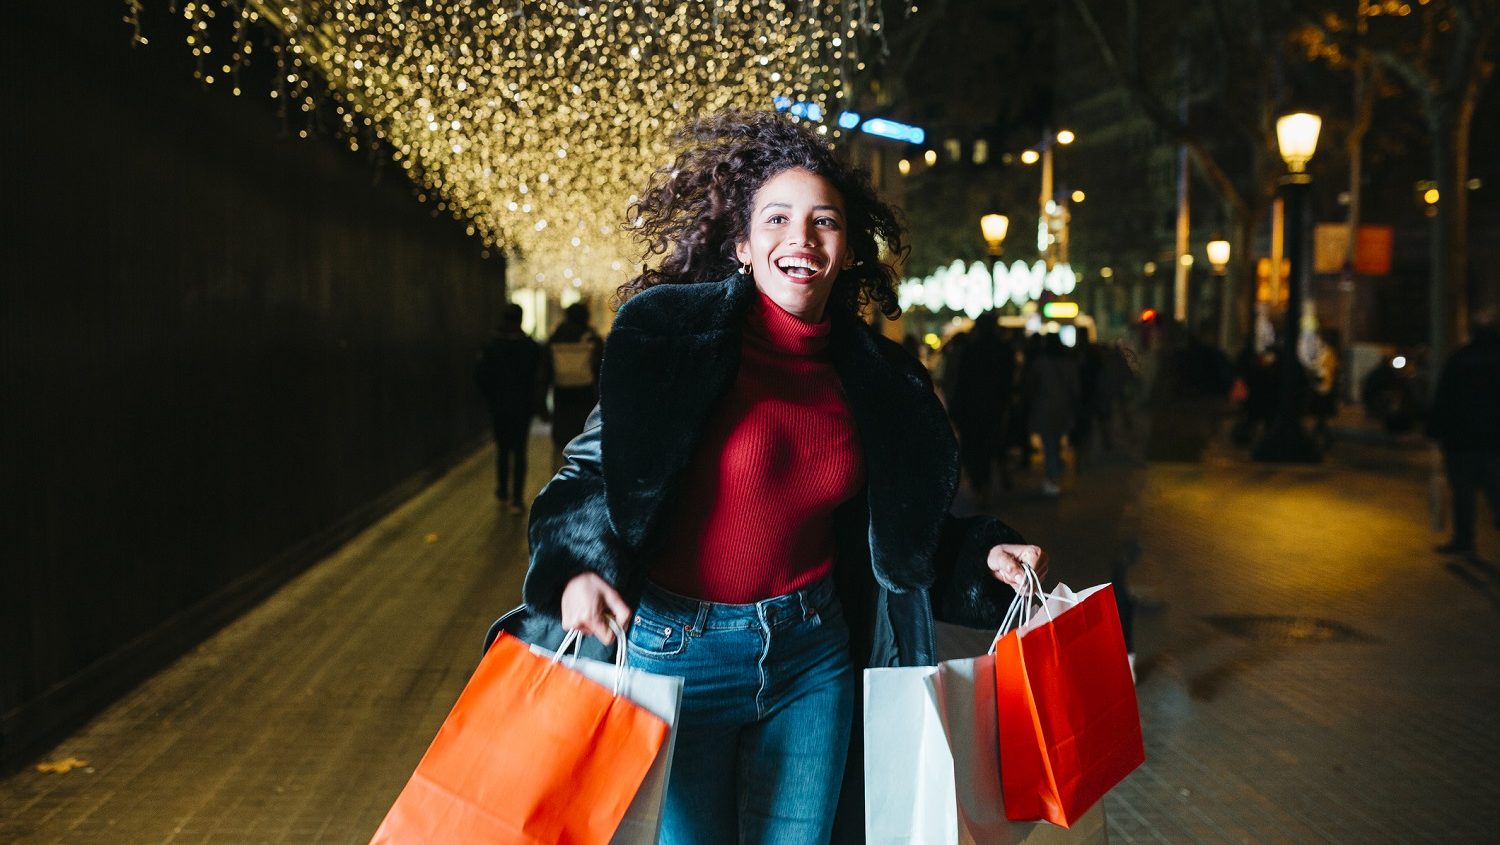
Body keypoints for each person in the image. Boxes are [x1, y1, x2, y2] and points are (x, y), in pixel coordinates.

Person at [509, 111, 1049, 844]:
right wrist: (576, 570)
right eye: (778, 219)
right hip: (676, 655)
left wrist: (981, 555)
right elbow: (585, 480)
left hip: (812, 657)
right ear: (742, 244)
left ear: (848, 247)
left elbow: (898, 527)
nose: (801, 237)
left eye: (823, 221)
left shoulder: (884, 381)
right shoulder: (670, 343)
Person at [1427, 307, 1500, 557]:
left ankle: (1464, 540)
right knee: (1495, 492)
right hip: (1493, 441)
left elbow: (1444, 398)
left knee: (1463, 494)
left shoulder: (1460, 358)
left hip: (1462, 440)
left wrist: (1435, 431)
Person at [474, 304, 542, 513]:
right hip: (523, 407)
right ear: (521, 320)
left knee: (503, 450)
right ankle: (517, 498)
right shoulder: (531, 347)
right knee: (520, 451)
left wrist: (492, 399)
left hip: (500, 406)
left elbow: (481, 377)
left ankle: (503, 491)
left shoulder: (491, 346)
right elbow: (537, 378)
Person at [542, 301, 602, 460]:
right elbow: (601, 371)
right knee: (585, 438)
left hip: (562, 396)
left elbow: (545, 372)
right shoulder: (592, 338)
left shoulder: (556, 338)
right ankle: (582, 477)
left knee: (561, 440)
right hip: (587, 397)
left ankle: (560, 475)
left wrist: (541, 404)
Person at [1025, 333, 1079, 496]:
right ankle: (1055, 470)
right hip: (1063, 408)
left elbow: (1031, 386)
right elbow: (1075, 389)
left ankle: (1053, 475)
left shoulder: (1040, 363)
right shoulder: (1068, 363)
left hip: (1044, 407)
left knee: (1049, 442)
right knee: (1054, 441)